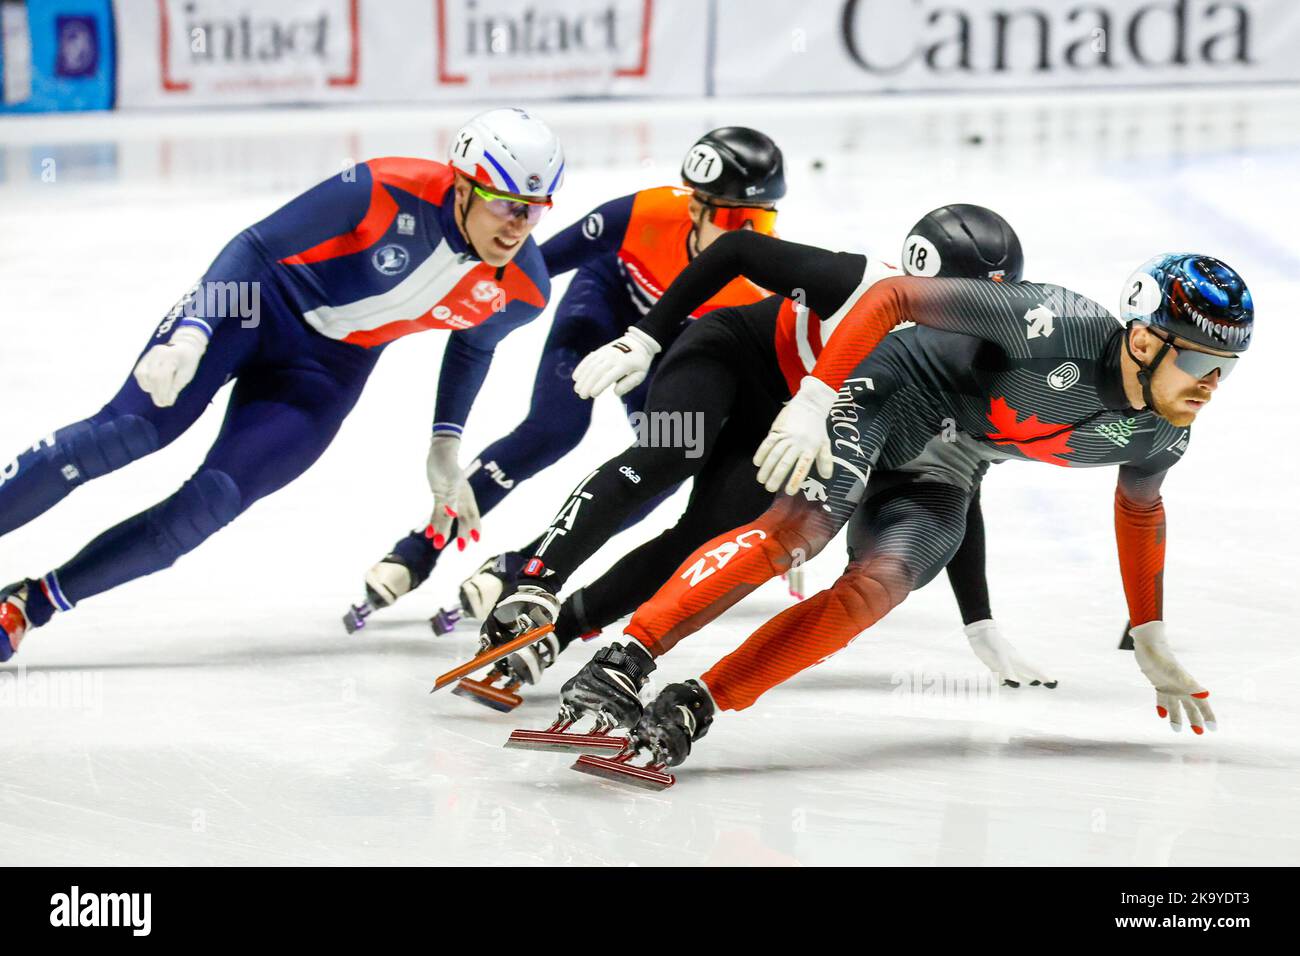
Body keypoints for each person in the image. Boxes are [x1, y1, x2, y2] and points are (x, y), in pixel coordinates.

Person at [559, 253, 1253, 775]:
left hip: (947, 462)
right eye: (1198, 358)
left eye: (1228, 366)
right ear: (1142, 340)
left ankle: (698, 702)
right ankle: (626, 657)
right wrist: (813, 398)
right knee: (801, 532)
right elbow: (893, 296)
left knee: (879, 585)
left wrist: (1150, 631)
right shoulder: (1052, 320)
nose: (1212, 384)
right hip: (886, 396)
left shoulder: (1165, 433)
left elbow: (1141, 509)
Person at [0, 107, 563, 660]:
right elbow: (257, 246)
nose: (517, 226)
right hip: (251, 309)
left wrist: (445, 445)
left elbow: (472, 344)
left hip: (325, 371)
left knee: (208, 506)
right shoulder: (382, 186)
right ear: (464, 185)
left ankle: (28, 606)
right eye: (507, 205)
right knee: (127, 432)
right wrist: (194, 331)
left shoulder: (522, 290)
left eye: (533, 212)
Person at [483, 205, 1052, 698]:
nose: (973, 325)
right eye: (961, 305)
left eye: (989, 311)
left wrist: (979, 623)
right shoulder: (854, 282)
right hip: (728, 355)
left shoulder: (964, 366)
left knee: (708, 536)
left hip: (783, 429)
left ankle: (559, 631)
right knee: (672, 452)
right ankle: (536, 580)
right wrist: (647, 336)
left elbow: (953, 481)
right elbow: (736, 248)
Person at [347, 128, 786, 631]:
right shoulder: (643, 212)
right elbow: (533, 264)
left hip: (672, 354)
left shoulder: (763, 285)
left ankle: (523, 565)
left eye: (764, 217)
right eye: (733, 218)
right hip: (601, 310)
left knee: (661, 468)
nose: (749, 233)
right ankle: (421, 548)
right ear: (694, 208)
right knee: (554, 428)